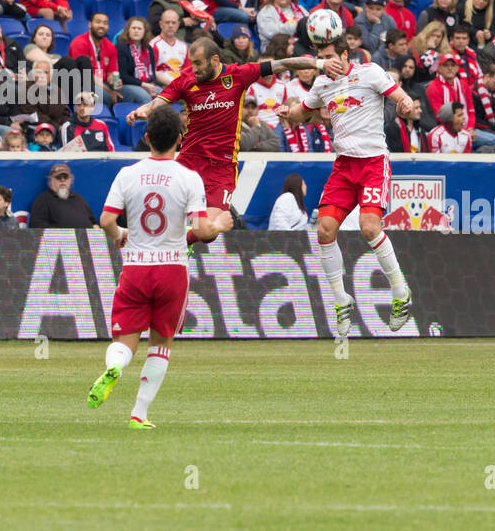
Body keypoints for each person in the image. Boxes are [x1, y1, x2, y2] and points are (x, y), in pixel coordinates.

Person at [88, 107, 231, 430]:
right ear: (180, 139)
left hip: (136, 267)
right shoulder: (189, 177)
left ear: (147, 137)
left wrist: (119, 236)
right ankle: (138, 413)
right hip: (172, 270)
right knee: (161, 343)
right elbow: (202, 229)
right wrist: (219, 222)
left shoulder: (128, 174)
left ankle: (115, 366)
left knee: (125, 340)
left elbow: (107, 220)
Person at [274, 30, 418, 338]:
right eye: (321, 58)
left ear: (344, 54)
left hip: (373, 162)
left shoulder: (370, 73)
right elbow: (304, 112)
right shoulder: (323, 83)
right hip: (343, 166)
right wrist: (289, 111)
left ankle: (400, 290)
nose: (326, 63)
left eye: (329, 57)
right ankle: (341, 301)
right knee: (324, 230)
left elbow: (400, 97)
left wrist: (405, 105)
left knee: (369, 226)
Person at [128, 38, 334, 246]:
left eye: (198, 63)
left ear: (215, 59)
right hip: (189, 162)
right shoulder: (186, 80)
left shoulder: (238, 74)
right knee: (158, 215)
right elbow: (160, 101)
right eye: (192, 62)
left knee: (209, 232)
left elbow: (283, 64)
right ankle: (158, 248)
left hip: (222, 167)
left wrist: (319, 64)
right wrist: (143, 110)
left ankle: (180, 243)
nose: (194, 69)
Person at [29, 162, 96, 228]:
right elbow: (37, 227)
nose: (62, 180)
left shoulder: (79, 199)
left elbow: (94, 223)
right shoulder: (43, 200)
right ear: (51, 180)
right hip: (60, 238)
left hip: (86, 237)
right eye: (58, 177)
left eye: (65, 177)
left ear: (71, 180)